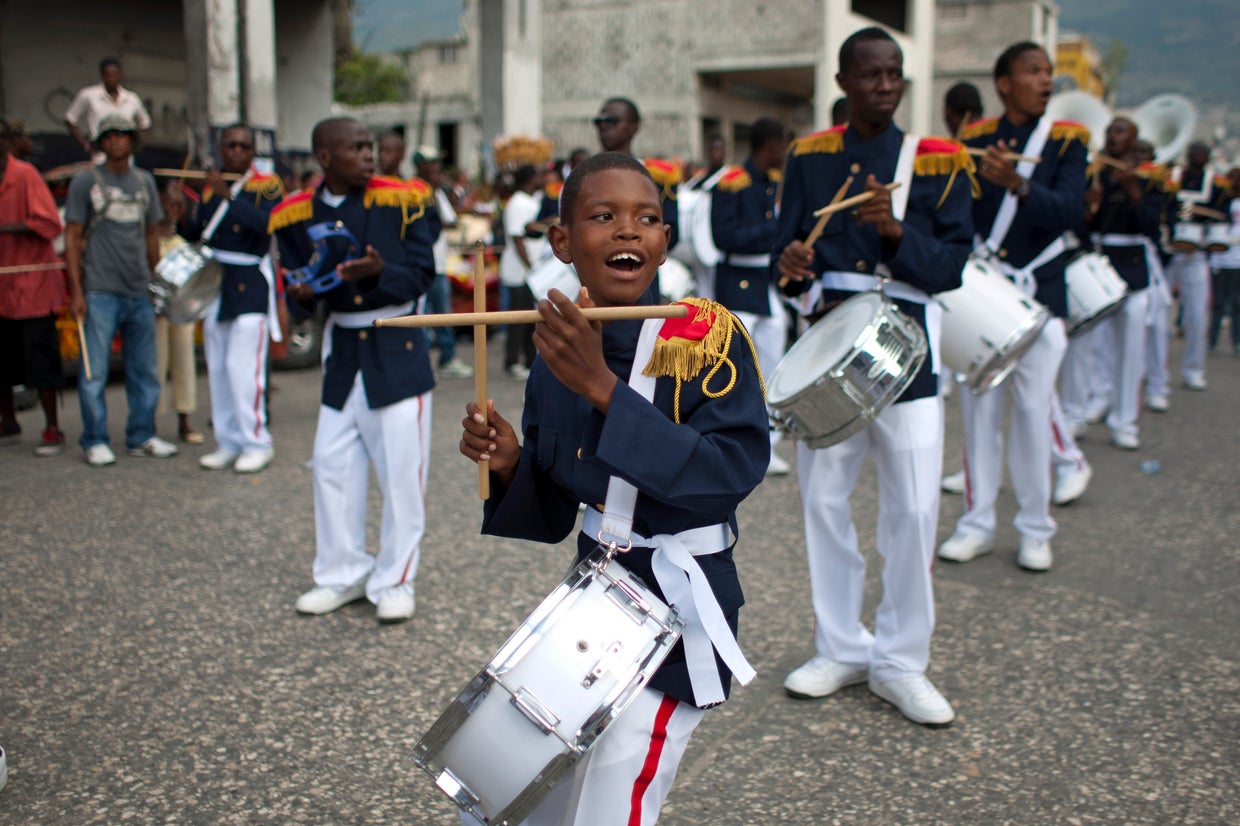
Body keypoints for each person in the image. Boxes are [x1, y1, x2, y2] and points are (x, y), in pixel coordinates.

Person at [458, 151, 769, 826]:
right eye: (604, 217)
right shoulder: (559, 345)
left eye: (647, 218)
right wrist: (510, 462)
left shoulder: (706, 339)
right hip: (595, 599)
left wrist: (602, 388)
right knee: (521, 780)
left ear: (665, 239)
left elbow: (726, 477)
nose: (629, 232)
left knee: (613, 800)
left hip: (678, 603)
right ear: (563, 240)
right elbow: (553, 510)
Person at [774, 27, 974, 726]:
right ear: (842, 81)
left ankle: (900, 661)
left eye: (894, 74)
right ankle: (840, 646)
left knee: (916, 511)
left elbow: (950, 268)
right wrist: (790, 267)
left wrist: (893, 232)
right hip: (830, 350)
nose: (884, 85)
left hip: (908, 352)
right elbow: (785, 253)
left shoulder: (939, 161)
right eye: (870, 74)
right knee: (824, 502)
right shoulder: (809, 156)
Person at [273, 117, 436, 623]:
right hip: (342, 346)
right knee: (331, 465)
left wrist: (380, 272)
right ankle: (341, 573)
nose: (370, 155)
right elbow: (301, 287)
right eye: (357, 148)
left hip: (395, 341)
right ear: (324, 156)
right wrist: (300, 297)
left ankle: (394, 580)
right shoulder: (297, 212)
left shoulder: (404, 199)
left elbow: (422, 271)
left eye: (371, 146)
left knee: (401, 471)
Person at [935, 42, 1089, 572]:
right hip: (986, 295)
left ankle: (1034, 526)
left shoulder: (1068, 141)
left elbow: (1070, 210)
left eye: (1048, 72)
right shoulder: (974, 139)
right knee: (978, 416)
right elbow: (955, 207)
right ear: (1004, 83)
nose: (1046, 80)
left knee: (1030, 415)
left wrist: (1019, 184)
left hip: (1040, 296)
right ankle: (976, 523)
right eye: (1033, 72)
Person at [63, 114, 175, 467]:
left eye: (122, 135)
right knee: (94, 370)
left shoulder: (144, 182)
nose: (115, 141)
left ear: (132, 141)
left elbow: (150, 235)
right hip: (100, 290)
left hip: (139, 289)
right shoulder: (86, 182)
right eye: (108, 135)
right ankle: (94, 439)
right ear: (99, 141)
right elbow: (72, 237)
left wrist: (155, 283)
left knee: (144, 369)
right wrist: (76, 291)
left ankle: (142, 434)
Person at [186, 124, 284, 473]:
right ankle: (228, 441)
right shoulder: (211, 188)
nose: (238, 151)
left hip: (250, 285)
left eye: (245, 146)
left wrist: (227, 194)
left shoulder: (266, 186)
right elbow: (199, 232)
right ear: (221, 148)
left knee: (245, 370)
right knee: (219, 368)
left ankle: (257, 441)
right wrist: (179, 215)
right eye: (232, 145)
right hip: (215, 285)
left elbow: (269, 224)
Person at [1076, 117, 1166, 450]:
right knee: (1094, 343)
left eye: (1120, 132)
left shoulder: (1151, 178)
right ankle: (1097, 397)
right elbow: (1086, 227)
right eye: (1110, 131)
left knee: (1131, 349)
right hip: (1102, 265)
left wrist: (1131, 189)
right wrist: (1090, 206)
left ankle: (1125, 419)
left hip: (1134, 269)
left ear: (1133, 139)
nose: (1113, 137)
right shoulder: (1097, 173)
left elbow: (1152, 227)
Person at [709, 116, 790, 475]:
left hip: (765, 281)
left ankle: (767, 439)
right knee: (738, 365)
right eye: (783, 144)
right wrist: (773, 232)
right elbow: (724, 237)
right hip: (739, 279)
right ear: (770, 145)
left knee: (772, 360)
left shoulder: (771, 182)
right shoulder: (731, 183)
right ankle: (731, 438)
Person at [0, 116, 67, 456]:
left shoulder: (24, 174)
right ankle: (8, 421)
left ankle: (52, 427)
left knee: (41, 360)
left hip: (33, 284)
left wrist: (6, 229)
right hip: (3, 287)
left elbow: (50, 222)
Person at [1161, 141, 1224, 394]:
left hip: (1196, 255)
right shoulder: (1170, 178)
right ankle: (1156, 370)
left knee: (1197, 316)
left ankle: (1193, 369)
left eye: (1203, 152)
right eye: (1195, 152)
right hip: (1168, 253)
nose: (1199, 156)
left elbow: (1222, 217)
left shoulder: (1217, 185)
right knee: (1159, 317)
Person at [413, 144, 473, 379]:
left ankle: (447, 358)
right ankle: (422, 363)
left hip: (439, 263)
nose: (438, 168)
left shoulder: (437, 193)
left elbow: (448, 220)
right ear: (421, 166)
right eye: (433, 164)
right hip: (421, 264)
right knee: (423, 316)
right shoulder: (415, 191)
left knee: (442, 313)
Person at [593, 97, 680, 249]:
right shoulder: (586, 177)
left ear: (634, 127)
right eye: (599, 121)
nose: (604, 126)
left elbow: (670, 233)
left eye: (612, 121)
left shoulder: (656, 176)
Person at [152, 181, 202, 445]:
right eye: (167, 200)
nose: (171, 206)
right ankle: (152, 422)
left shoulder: (181, 238)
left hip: (181, 309)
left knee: (184, 361)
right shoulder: (148, 237)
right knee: (156, 363)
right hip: (157, 311)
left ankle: (184, 420)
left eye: (177, 201)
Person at [498, 163, 544, 379]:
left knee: (530, 319)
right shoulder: (517, 202)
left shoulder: (529, 200)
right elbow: (517, 238)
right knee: (519, 319)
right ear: (530, 178)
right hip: (519, 272)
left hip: (528, 272)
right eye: (538, 175)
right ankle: (512, 361)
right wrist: (531, 268)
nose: (542, 178)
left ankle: (529, 360)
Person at [64, 58, 151, 159]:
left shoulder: (131, 98)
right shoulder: (88, 95)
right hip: (99, 157)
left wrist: (134, 145)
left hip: (125, 159)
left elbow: (145, 123)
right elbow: (70, 119)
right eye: (108, 75)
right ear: (102, 75)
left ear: (120, 74)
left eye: (114, 74)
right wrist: (86, 145)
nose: (111, 79)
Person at [1209, 167, 1240, 354]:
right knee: (1218, 303)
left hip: (1238, 260)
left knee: (1238, 303)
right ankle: (1212, 340)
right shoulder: (1221, 201)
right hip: (1220, 258)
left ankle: (1237, 340)